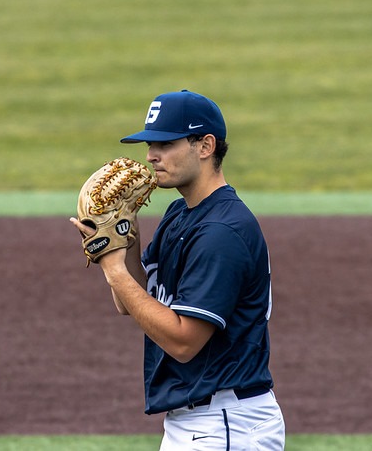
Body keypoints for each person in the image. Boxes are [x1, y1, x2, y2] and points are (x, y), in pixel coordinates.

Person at [71, 89, 285, 450]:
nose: (151, 156)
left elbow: (184, 342)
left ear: (205, 146)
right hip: (198, 421)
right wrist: (125, 241)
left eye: (166, 144)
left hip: (225, 422)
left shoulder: (221, 232)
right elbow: (132, 303)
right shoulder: (178, 215)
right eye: (149, 144)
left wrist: (114, 270)